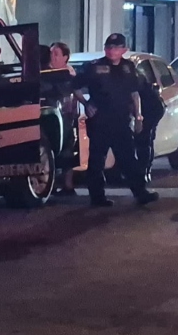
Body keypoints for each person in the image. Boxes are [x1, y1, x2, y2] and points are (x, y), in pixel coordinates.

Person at [76, 32, 158, 208]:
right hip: (100, 121)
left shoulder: (128, 67)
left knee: (129, 159)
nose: (111, 50)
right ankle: (97, 197)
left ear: (124, 50)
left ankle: (140, 193)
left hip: (121, 120)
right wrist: (86, 104)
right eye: (108, 47)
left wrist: (138, 116)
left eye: (115, 47)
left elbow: (134, 93)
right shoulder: (94, 67)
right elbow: (74, 86)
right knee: (97, 160)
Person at [42, 42, 80, 196]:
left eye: (56, 53)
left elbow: (73, 93)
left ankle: (68, 185)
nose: (53, 55)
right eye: (51, 52)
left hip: (64, 116)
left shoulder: (68, 73)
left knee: (67, 149)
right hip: (47, 117)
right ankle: (52, 184)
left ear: (65, 57)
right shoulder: (43, 71)